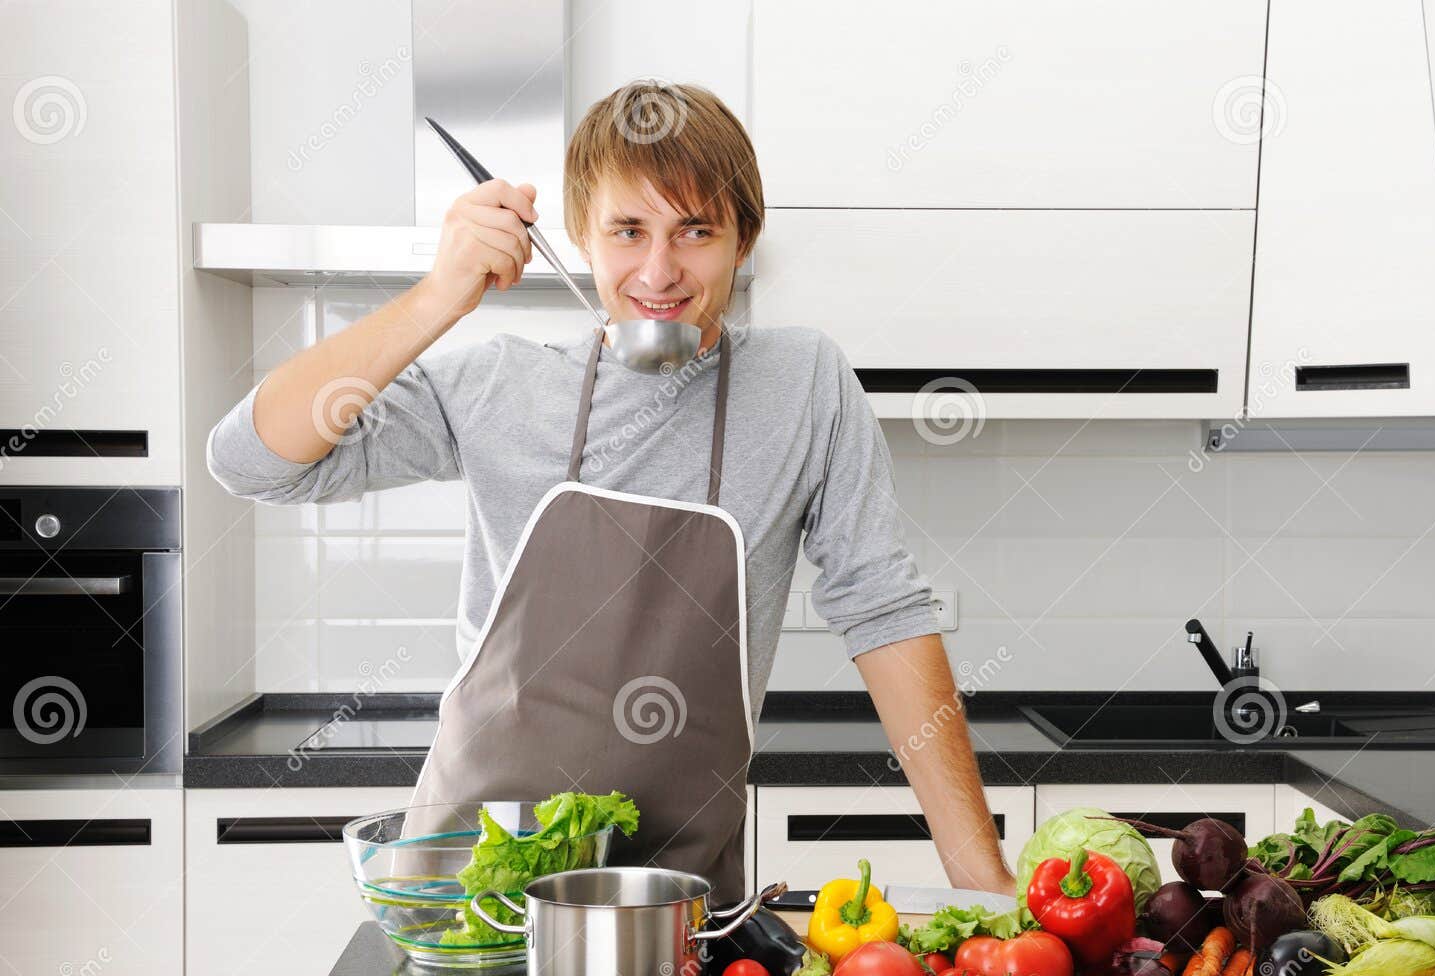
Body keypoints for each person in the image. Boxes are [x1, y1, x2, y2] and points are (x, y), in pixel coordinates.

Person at [207, 80, 1014, 901]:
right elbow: (252, 460)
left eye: (695, 231)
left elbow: (885, 612)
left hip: (677, 902)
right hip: (471, 892)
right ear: (582, 240)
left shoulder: (806, 385)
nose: (659, 271)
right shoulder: (500, 387)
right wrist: (437, 296)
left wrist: (983, 887)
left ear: (744, 239)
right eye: (629, 231)